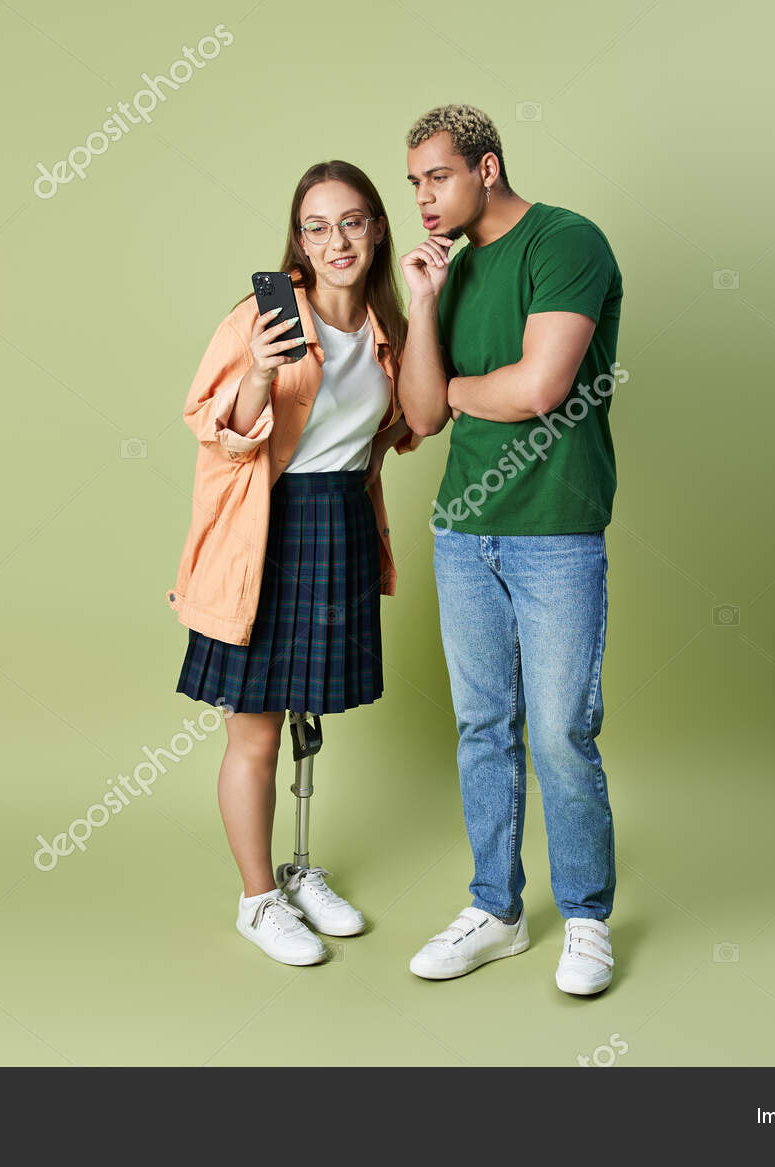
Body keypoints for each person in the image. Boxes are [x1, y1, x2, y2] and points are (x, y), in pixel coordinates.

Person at [396, 105, 625, 995]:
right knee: (483, 729)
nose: (421, 196)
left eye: (438, 176)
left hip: (557, 528)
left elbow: (540, 385)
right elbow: (418, 416)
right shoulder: (446, 271)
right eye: (414, 180)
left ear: (487, 168)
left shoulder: (567, 241)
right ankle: (497, 908)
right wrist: (422, 301)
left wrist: (455, 387)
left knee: (562, 732)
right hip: (462, 530)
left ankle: (588, 917)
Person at [166, 160, 418, 966]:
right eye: (317, 226)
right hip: (264, 532)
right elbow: (220, 431)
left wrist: (431, 302)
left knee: (309, 717)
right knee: (257, 735)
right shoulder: (258, 317)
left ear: (377, 228)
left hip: (339, 523)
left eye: (351, 221)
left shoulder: (389, 330)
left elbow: (416, 422)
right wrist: (263, 369)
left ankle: (302, 868)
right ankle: (258, 898)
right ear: (298, 241)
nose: (336, 240)